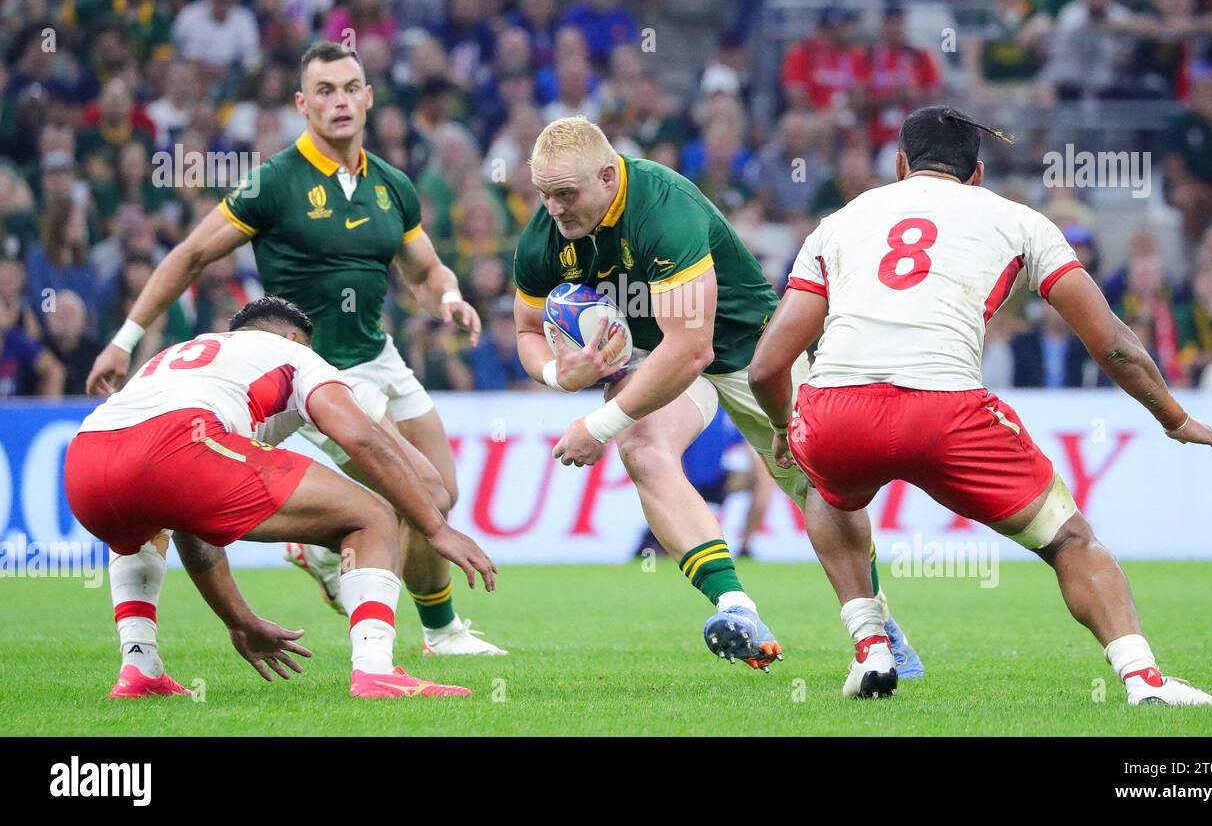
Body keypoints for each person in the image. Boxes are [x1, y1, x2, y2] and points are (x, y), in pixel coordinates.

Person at [749, 106, 1212, 704]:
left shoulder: (839, 222)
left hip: (837, 408)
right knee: (1070, 541)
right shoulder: (1019, 221)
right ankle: (1143, 680)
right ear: (977, 174)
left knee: (826, 492)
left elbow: (768, 366)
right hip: (946, 412)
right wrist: (1176, 419)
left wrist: (782, 428)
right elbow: (1111, 344)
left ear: (901, 166)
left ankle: (871, 645)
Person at [85, 41, 506, 658]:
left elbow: (426, 269)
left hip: (378, 354)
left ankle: (384, 589)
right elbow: (192, 255)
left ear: (368, 97)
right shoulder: (276, 182)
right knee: (422, 499)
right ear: (302, 104)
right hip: (307, 370)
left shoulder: (391, 184)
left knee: (440, 491)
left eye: (351, 87)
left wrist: (448, 296)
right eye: (325, 91)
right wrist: (124, 339)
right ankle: (414, 614)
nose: (340, 101)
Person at [512, 117, 920, 674]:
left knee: (822, 484)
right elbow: (527, 330)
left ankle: (879, 627)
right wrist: (562, 376)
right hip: (662, 358)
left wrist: (596, 425)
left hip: (747, 349)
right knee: (643, 449)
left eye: (566, 195)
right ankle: (737, 607)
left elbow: (693, 349)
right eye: (545, 195)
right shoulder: (546, 232)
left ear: (609, 176)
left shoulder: (662, 209)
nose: (554, 210)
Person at [65, 297, 496, 699]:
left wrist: (240, 621)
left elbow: (187, 519)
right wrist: (436, 528)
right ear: (293, 338)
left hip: (86, 462)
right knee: (373, 515)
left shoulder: (182, 356)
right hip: (180, 442)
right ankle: (374, 670)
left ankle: (139, 665)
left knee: (146, 529)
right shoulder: (296, 354)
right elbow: (362, 437)